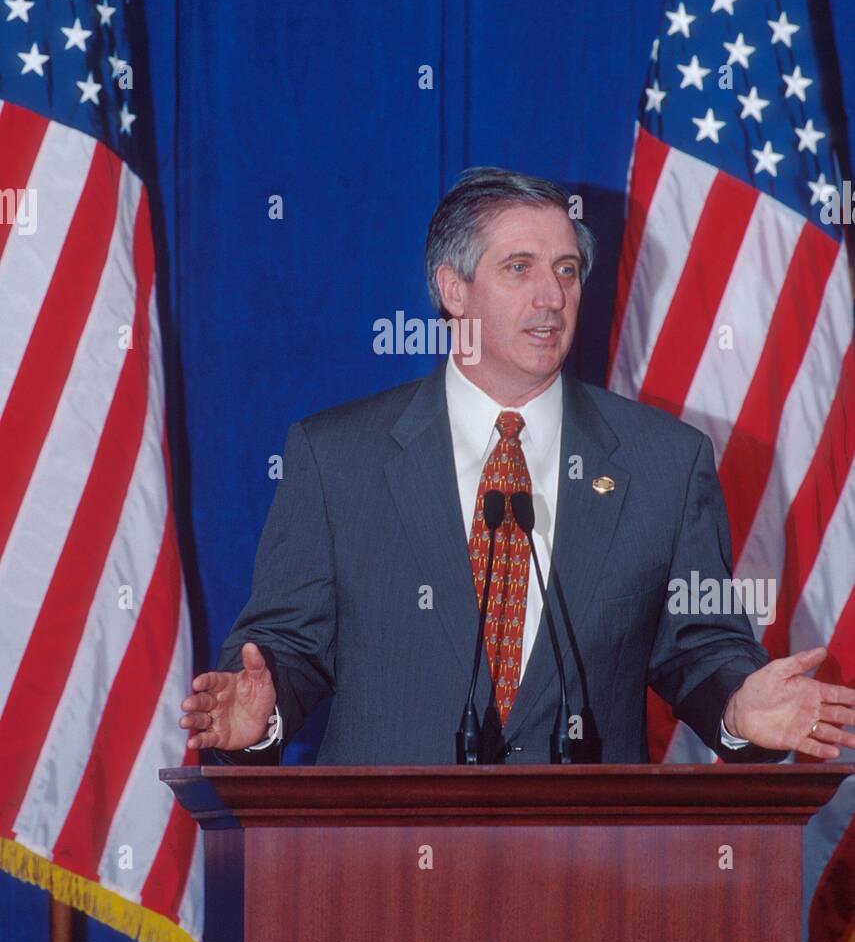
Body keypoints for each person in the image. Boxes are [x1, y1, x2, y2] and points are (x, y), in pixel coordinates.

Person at [180, 168, 855, 766]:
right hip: (382, 870)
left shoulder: (663, 462)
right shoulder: (336, 457)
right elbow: (289, 649)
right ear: (452, 289)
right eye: (519, 268)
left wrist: (738, 710)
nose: (552, 297)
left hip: (589, 868)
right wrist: (259, 715)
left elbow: (698, 643)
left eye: (565, 270)